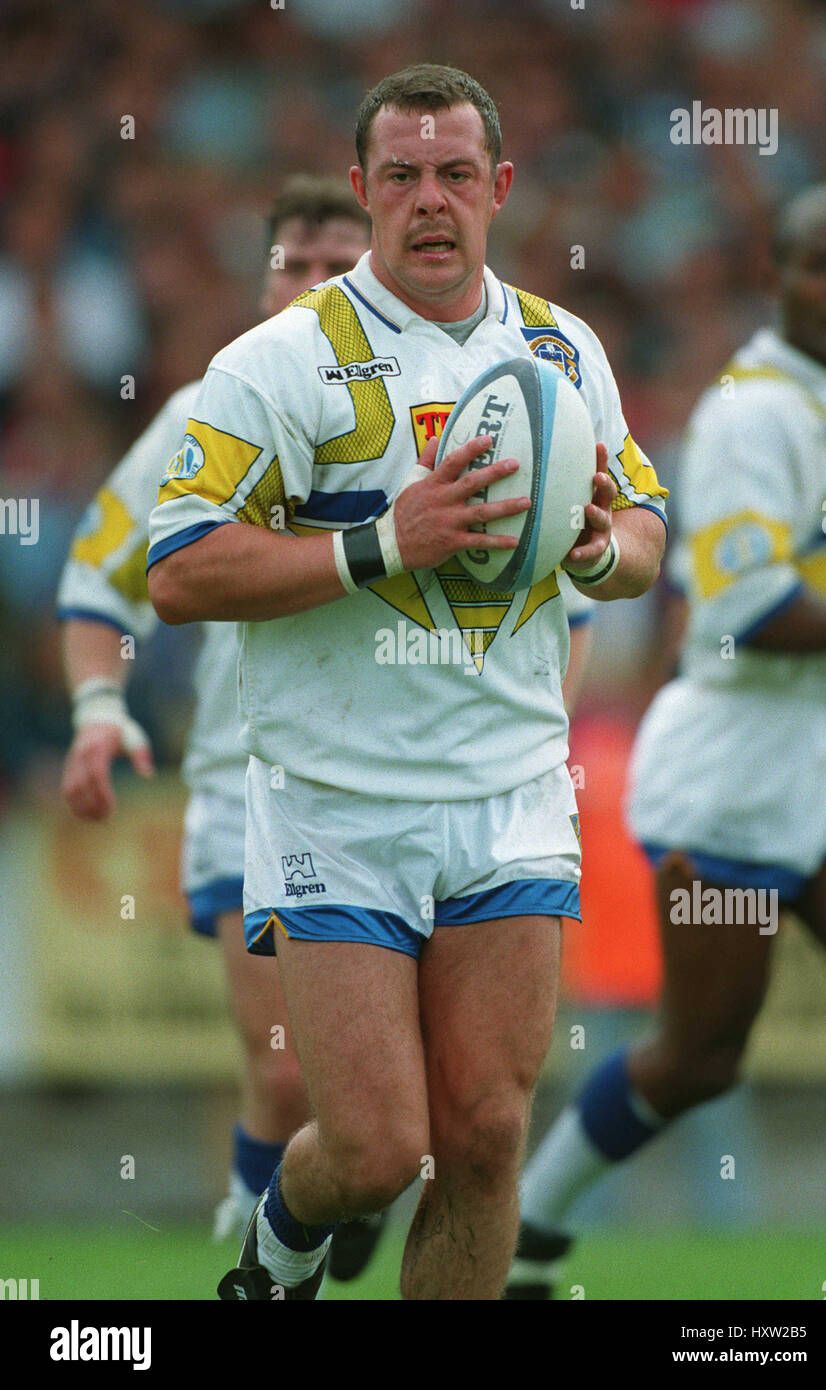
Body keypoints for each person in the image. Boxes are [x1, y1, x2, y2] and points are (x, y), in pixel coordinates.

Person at [147, 63, 667, 1302]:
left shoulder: (559, 349)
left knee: (483, 1137)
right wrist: (383, 539)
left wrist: (596, 542)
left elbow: (646, 528)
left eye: (450, 176)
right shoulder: (276, 362)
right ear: (360, 190)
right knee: (381, 1148)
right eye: (400, 177)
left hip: (508, 795)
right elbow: (176, 569)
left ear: (496, 186)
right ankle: (274, 1263)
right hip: (338, 801)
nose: (427, 201)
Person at [507, 183, 826, 1298]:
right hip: (733, 772)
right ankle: (532, 1225)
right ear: (776, 278)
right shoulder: (755, 413)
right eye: (818, 265)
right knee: (699, 1055)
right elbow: (751, 609)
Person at [58, 177, 383, 1278]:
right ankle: (263, 1267)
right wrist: (99, 709)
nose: (312, 286)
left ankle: (351, 1188)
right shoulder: (206, 407)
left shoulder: (447, 405)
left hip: (413, 786)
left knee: (409, 1114)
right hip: (248, 787)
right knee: (289, 1076)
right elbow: (99, 582)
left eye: (340, 267)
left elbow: (571, 600)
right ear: (263, 276)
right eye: (293, 263)